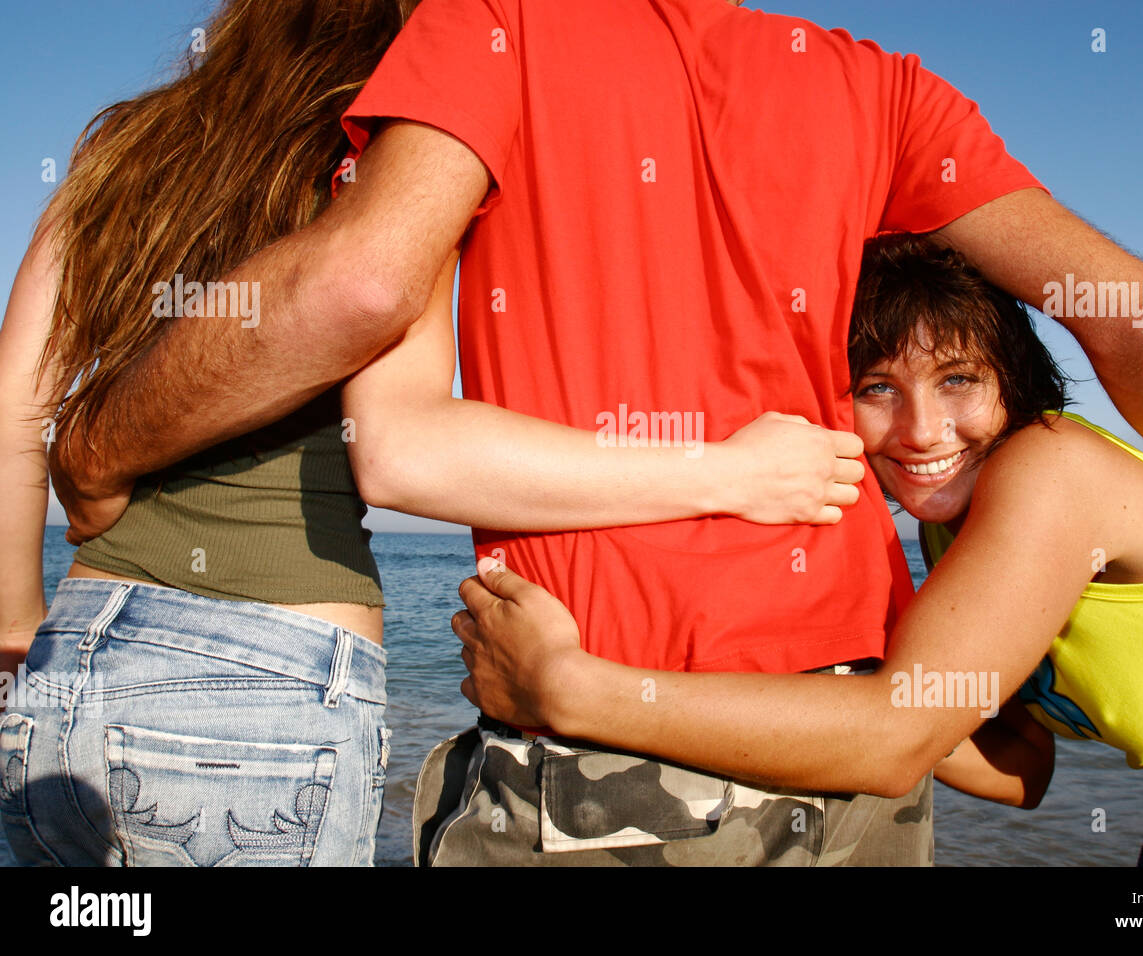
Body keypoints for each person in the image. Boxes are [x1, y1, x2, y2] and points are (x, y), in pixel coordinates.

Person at [49, 0, 1143, 866]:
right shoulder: (880, 84)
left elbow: (372, 319)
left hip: (595, 743)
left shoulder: (487, 29)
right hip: (842, 749)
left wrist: (97, 444)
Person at [0, 0, 856, 867]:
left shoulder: (124, 145)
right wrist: (728, 472)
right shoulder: (392, 148)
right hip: (271, 671)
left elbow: (13, 408)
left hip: (76, 641)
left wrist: (20, 617)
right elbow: (393, 403)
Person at [455, 233, 1143, 865]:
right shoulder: (948, 523)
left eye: (959, 379)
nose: (924, 430)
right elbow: (1021, 767)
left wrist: (570, 688)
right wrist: (830, 679)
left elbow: (895, 745)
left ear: (1016, 379)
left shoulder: (1055, 469)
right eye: (877, 390)